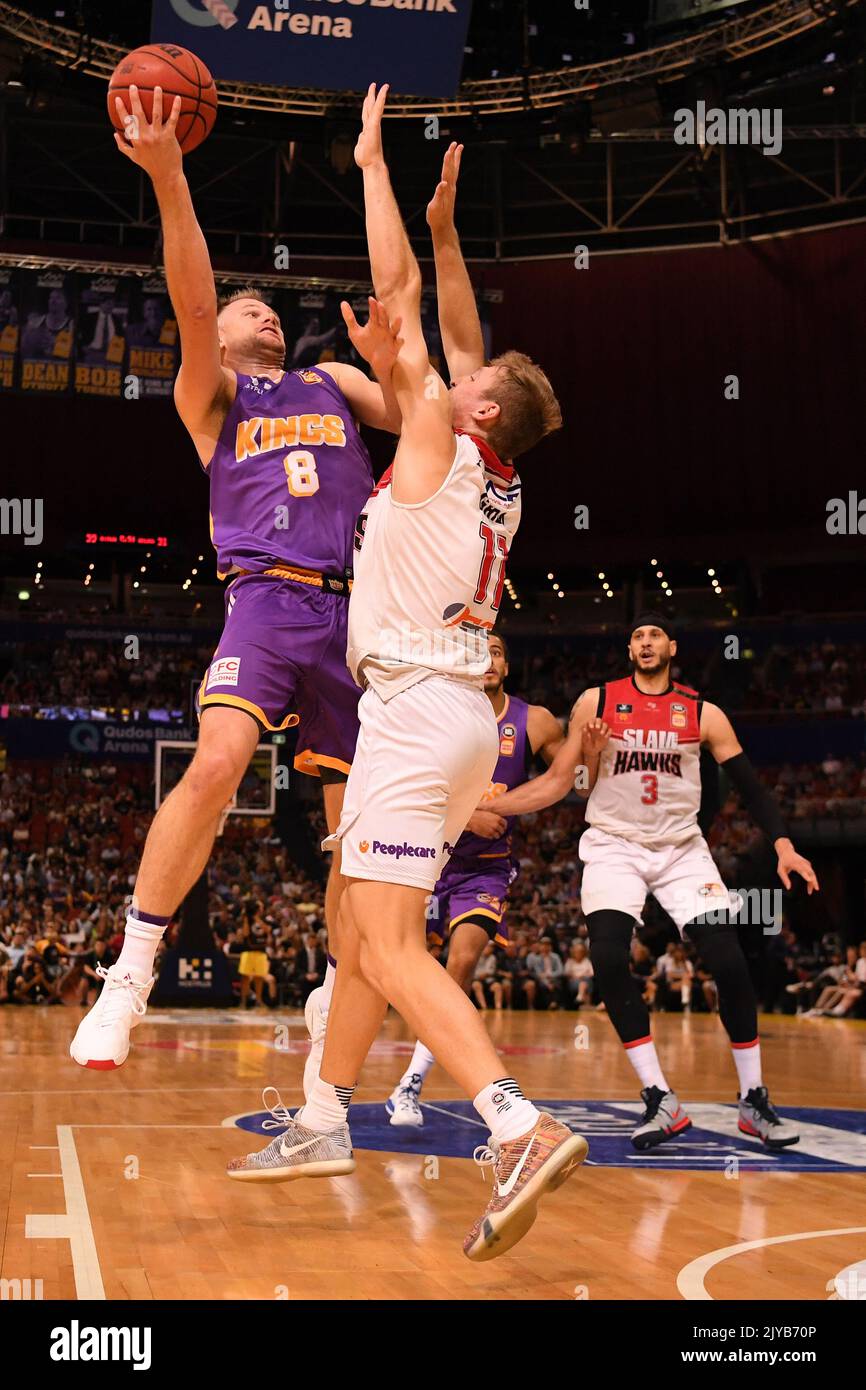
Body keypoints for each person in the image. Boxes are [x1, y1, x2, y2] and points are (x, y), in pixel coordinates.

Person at [227, 84, 585, 1265]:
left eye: (463, 376)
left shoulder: (435, 422)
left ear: (474, 405)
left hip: (414, 706)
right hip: (456, 720)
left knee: (385, 944)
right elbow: (458, 333)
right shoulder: (499, 471)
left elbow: (401, 308)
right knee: (357, 922)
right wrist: (443, 231)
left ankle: (513, 1120)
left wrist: (375, 168)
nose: (448, 372)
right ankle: (325, 1117)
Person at [69, 82, 401, 1070]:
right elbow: (193, 294)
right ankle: (130, 974)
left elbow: (425, 420)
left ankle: (340, 984)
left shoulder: (332, 382)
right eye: (241, 306)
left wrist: (398, 354)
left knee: (355, 835)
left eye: (266, 303)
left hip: (356, 615)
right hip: (263, 596)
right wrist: (171, 181)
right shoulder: (208, 395)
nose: (255, 309)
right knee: (216, 763)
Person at [488, 612, 819, 1152]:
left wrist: (782, 844)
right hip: (615, 845)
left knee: (730, 961)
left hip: (681, 850)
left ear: (671, 647)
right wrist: (581, 761)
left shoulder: (703, 713)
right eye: (636, 636)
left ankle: (754, 1099)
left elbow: (751, 786)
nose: (645, 643)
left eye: (654, 636)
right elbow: (566, 782)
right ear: (629, 651)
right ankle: (659, 1097)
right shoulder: (595, 702)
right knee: (610, 958)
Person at [385, 626, 563, 1127]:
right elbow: (407, 785)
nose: (487, 659)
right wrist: (464, 817)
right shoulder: (438, 714)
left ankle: (410, 1084)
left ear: (507, 667)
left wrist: (592, 749)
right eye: (478, 652)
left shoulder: (536, 721)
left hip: (483, 870)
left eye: (498, 652)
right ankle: (332, 1081)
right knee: (383, 965)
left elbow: (569, 776)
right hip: (422, 856)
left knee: (459, 965)